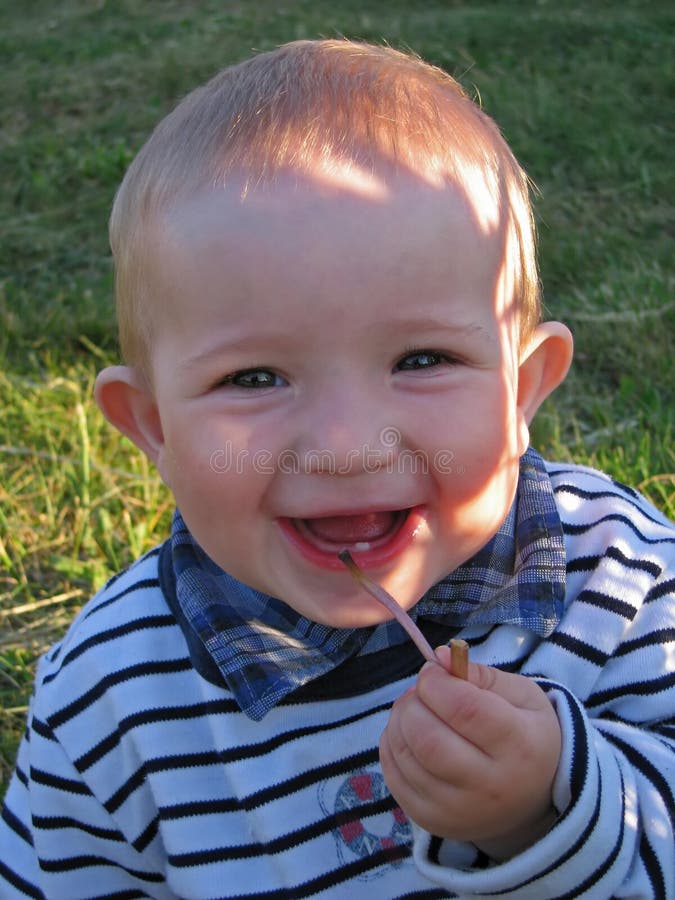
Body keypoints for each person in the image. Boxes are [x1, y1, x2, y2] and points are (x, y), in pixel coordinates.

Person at [1, 39, 673, 900]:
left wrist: (548, 810)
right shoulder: (107, 693)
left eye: (422, 360)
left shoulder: (624, 584)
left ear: (523, 390)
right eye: (254, 378)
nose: (347, 446)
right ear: (154, 427)